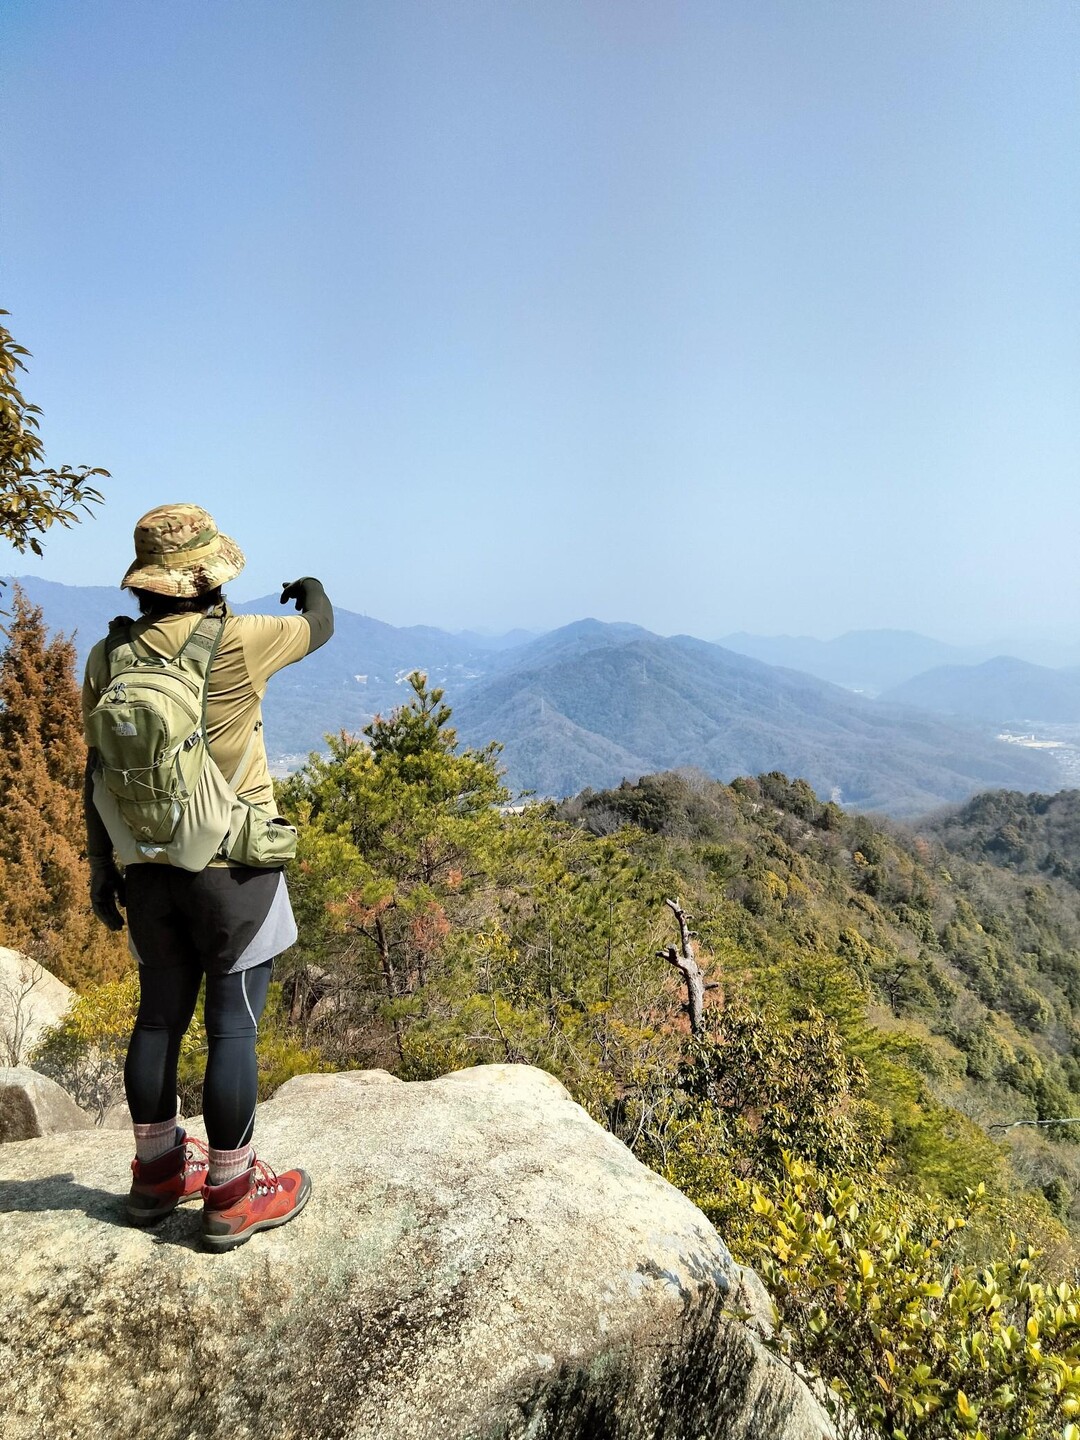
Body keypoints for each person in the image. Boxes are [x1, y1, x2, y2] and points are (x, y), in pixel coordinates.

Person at [81, 502, 333, 1251]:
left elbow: (95, 772)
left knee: (156, 1017)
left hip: (145, 870)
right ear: (208, 575)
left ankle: (157, 1176)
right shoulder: (243, 640)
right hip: (232, 871)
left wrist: (102, 868)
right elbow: (322, 624)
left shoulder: (105, 658)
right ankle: (231, 1192)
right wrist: (312, 585)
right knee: (233, 1023)